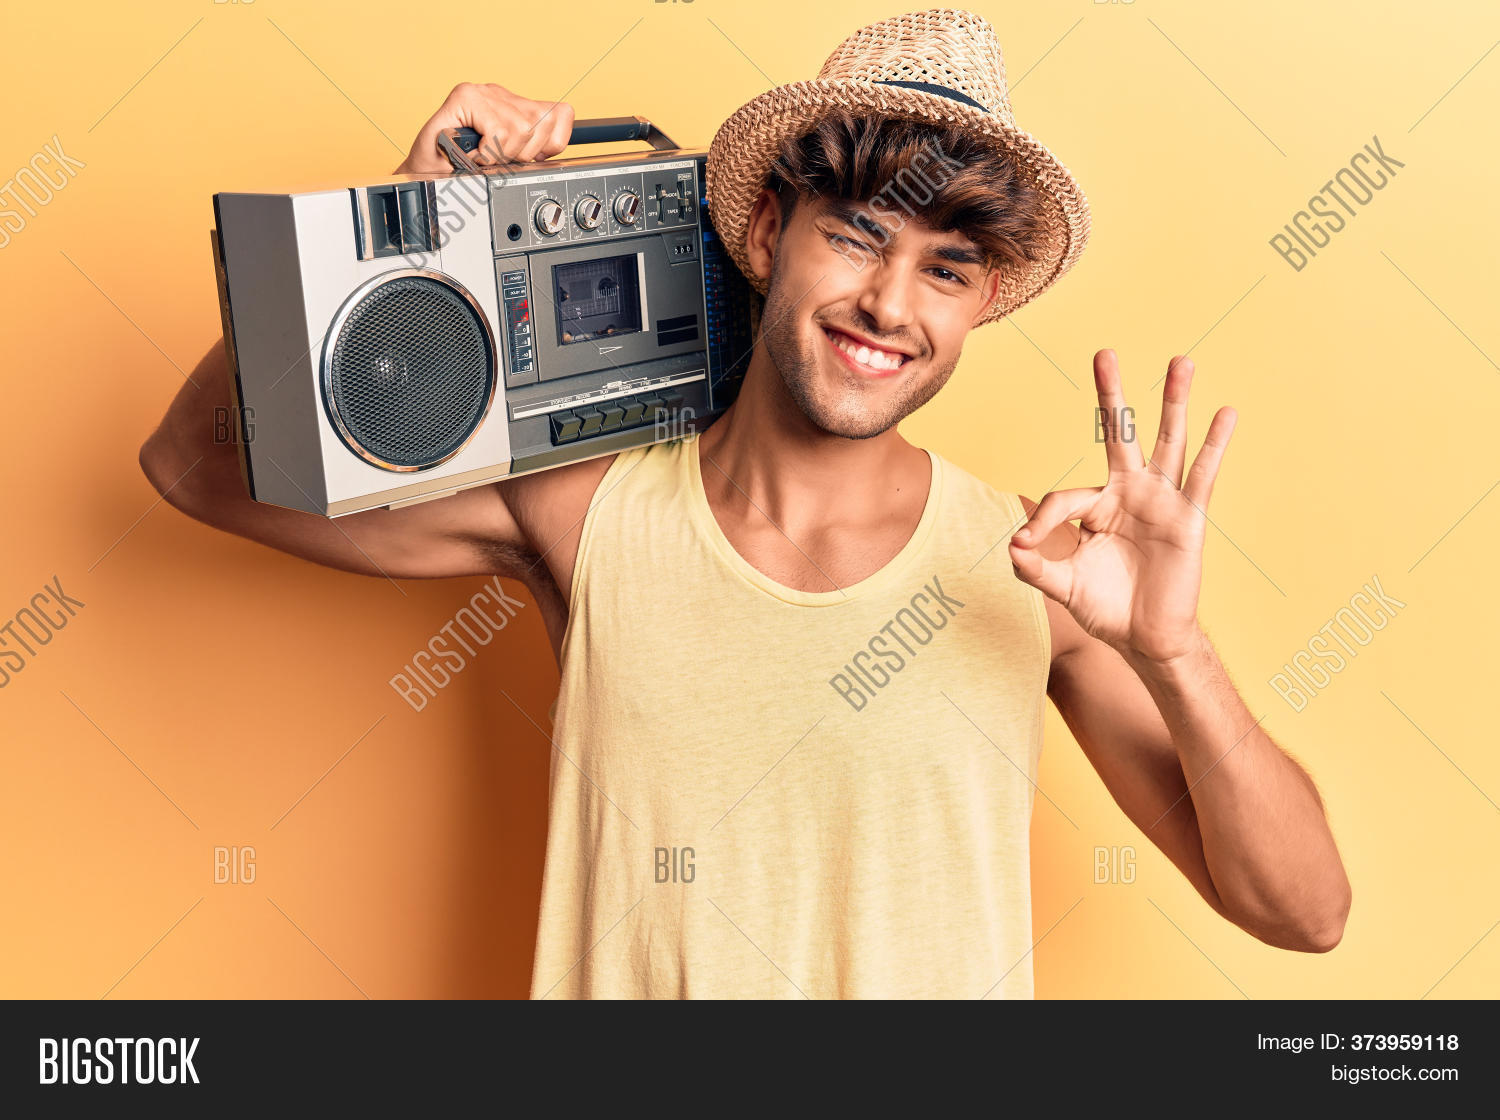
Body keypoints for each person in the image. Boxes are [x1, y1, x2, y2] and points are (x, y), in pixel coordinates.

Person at [139, 9, 1350, 998]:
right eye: (859, 235)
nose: (889, 302)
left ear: (980, 306)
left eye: (946, 269)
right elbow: (195, 463)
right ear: (770, 230)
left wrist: (1178, 652)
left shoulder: (1036, 563)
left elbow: (1304, 913)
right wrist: (408, 229)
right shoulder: (579, 509)